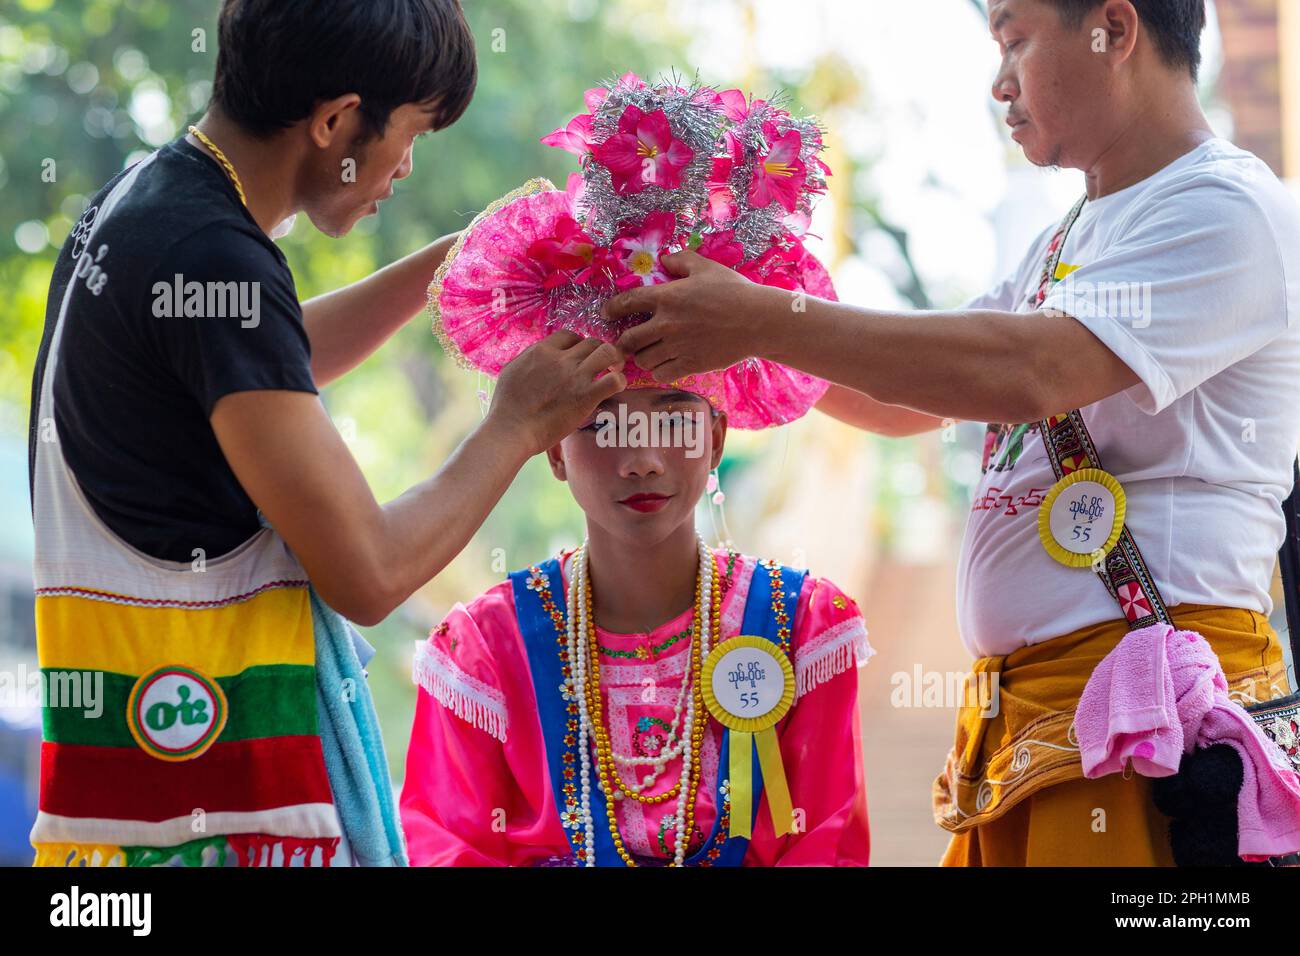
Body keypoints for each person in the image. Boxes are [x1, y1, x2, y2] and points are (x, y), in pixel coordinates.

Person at [602, 0, 1300, 865]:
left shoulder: (1227, 209)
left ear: (1113, 30)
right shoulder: (1066, 238)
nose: (1000, 83)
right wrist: (721, 349)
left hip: (1142, 727)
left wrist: (763, 320)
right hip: (1034, 728)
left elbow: (1026, 372)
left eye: (1014, 41)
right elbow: (915, 399)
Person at [28, 0, 624, 868]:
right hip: (214, 821)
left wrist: (453, 260)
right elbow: (370, 572)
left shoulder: (144, 206)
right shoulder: (214, 254)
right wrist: (517, 423)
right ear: (338, 120)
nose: (406, 167)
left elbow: (256, 362)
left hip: (120, 813)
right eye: (410, 134)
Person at [400, 186, 873, 865]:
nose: (642, 458)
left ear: (715, 438)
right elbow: (443, 844)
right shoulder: (484, 646)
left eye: (674, 417)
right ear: (555, 447)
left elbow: (828, 843)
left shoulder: (804, 625)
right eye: (604, 419)